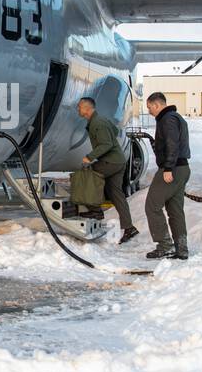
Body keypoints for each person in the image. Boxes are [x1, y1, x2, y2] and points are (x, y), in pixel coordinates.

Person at [77, 97, 138, 243]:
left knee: (87, 176)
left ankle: (95, 211)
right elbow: (115, 131)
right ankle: (129, 228)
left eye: (79, 107)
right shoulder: (100, 121)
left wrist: (89, 157)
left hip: (111, 162)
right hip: (118, 161)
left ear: (87, 108)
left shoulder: (97, 123)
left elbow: (106, 144)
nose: (78, 109)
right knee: (115, 193)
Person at [143, 92, 189, 260]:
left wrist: (168, 167)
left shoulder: (167, 119)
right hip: (182, 168)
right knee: (175, 210)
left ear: (156, 105)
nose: (149, 111)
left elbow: (172, 144)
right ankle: (181, 248)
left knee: (152, 205)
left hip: (173, 169)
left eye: (149, 107)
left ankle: (165, 245)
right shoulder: (175, 117)